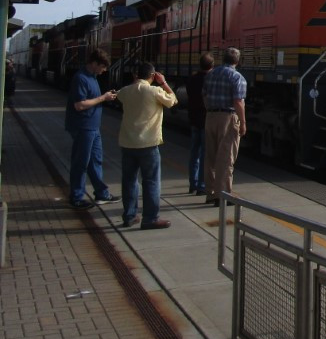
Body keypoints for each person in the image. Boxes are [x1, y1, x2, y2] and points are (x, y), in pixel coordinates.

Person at [118, 62, 177, 229]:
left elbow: (119, 96)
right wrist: (164, 83)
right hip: (148, 144)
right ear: (153, 76)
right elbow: (173, 100)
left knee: (129, 180)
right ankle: (150, 218)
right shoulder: (155, 91)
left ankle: (129, 216)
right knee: (151, 181)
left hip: (127, 143)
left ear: (135, 75)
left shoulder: (125, 91)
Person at [65, 49, 119, 210]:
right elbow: (79, 105)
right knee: (81, 162)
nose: (104, 71)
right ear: (95, 63)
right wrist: (103, 98)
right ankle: (76, 197)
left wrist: (105, 97)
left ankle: (102, 193)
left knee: (95, 160)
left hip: (92, 127)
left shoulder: (92, 78)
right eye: (102, 67)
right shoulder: (81, 78)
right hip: (83, 126)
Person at [202, 47, 247, 206]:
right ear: (238, 60)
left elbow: (205, 95)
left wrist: (210, 111)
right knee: (226, 158)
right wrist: (243, 122)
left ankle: (210, 193)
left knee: (210, 157)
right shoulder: (237, 77)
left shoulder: (211, 74)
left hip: (211, 116)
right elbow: (238, 102)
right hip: (228, 117)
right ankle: (223, 195)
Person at [186, 52, 215, 196]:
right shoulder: (211, 81)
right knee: (206, 153)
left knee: (194, 153)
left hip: (194, 119)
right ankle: (202, 185)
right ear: (212, 66)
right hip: (206, 119)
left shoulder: (191, 79)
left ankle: (193, 183)